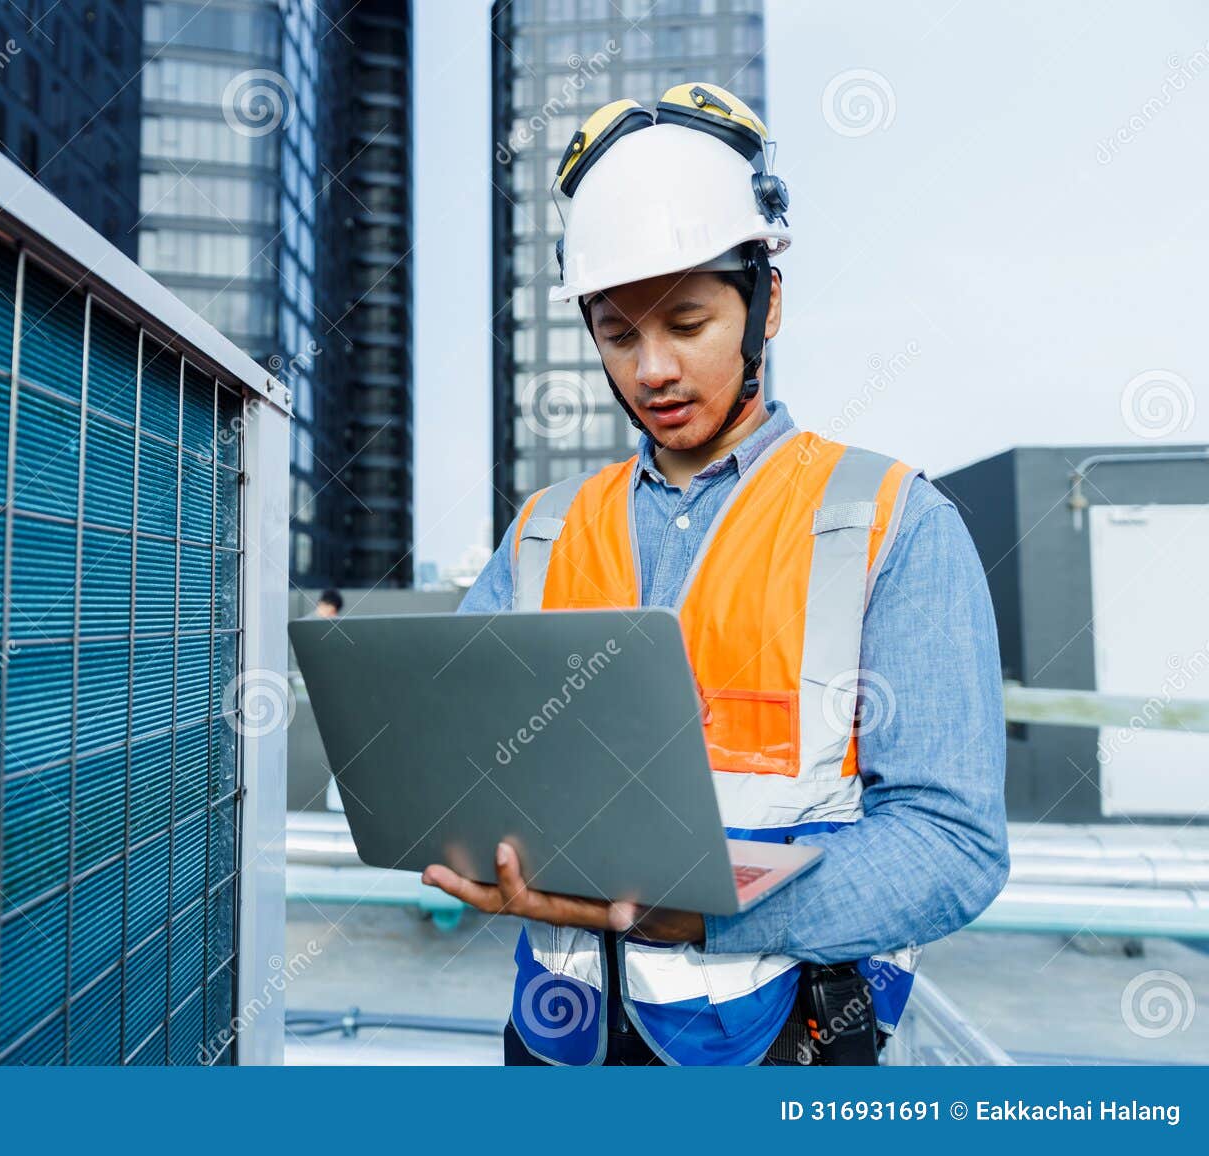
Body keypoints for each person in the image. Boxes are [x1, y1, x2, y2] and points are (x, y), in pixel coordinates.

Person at [422, 84, 1009, 1066]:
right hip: (558, 1043)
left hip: (783, 1044)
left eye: (687, 321)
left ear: (765, 302)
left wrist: (699, 915)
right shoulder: (542, 532)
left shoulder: (890, 521)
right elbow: (455, 760)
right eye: (618, 332)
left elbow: (950, 846)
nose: (652, 368)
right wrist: (462, 840)